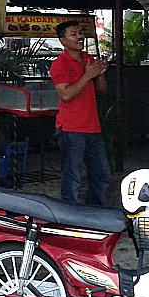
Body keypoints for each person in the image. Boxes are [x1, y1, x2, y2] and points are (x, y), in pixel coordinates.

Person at [50, 20, 111, 206]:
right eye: (74, 34)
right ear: (63, 40)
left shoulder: (89, 60)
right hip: (71, 128)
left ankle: (94, 211)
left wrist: (99, 74)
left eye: (80, 33)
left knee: (102, 174)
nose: (80, 37)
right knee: (72, 177)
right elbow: (66, 94)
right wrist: (88, 75)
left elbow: (102, 92)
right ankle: (71, 216)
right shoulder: (59, 64)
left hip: (93, 127)